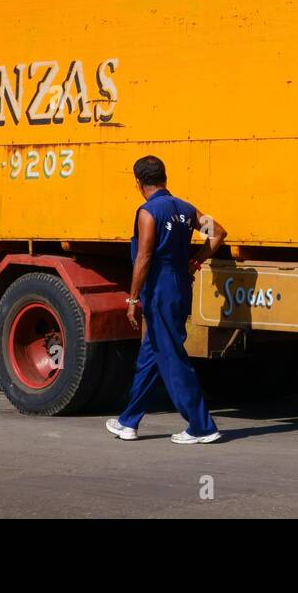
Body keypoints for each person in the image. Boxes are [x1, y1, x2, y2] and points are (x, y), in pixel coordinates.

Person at [106, 155, 227, 444]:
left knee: (171, 355)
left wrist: (133, 299)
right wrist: (195, 261)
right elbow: (219, 233)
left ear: (138, 183)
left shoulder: (147, 212)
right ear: (165, 178)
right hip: (179, 283)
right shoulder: (186, 208)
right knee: (152, 353)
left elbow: (145, 256)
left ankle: (201, 425)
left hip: (159, 287)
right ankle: (128, 422)